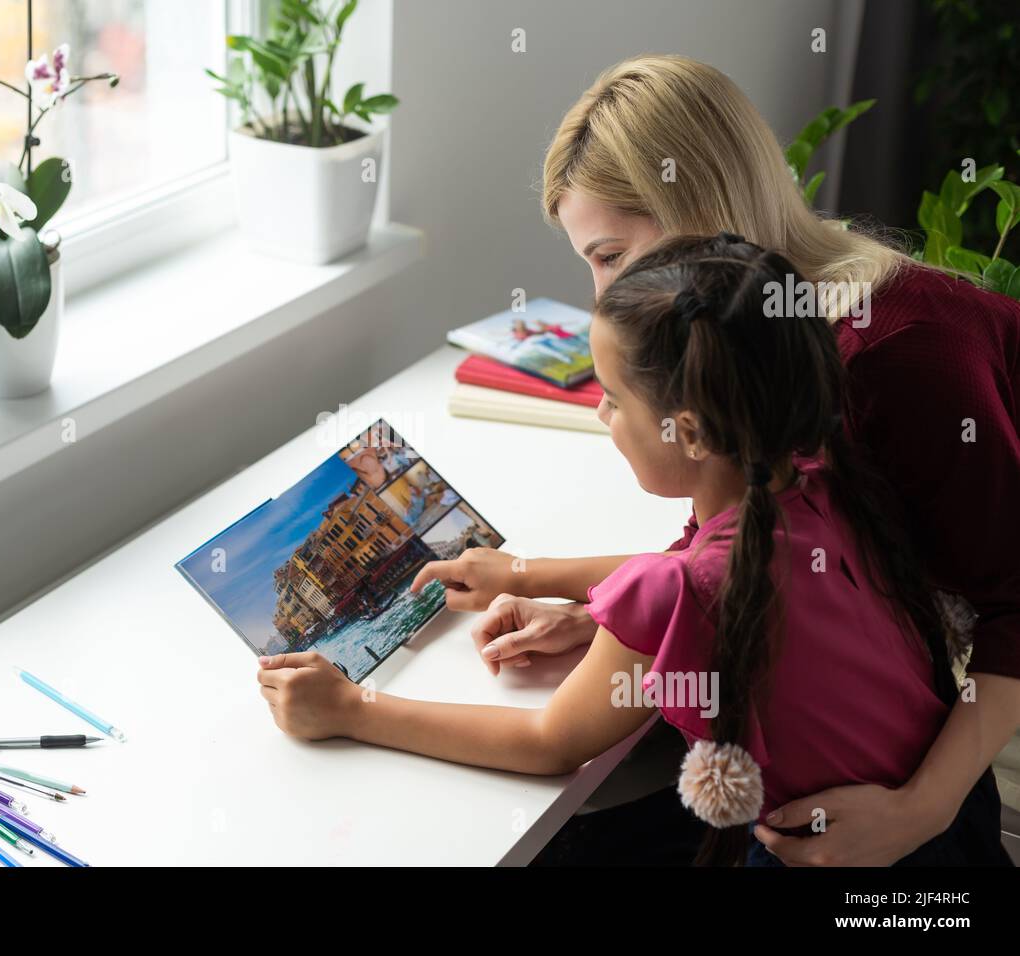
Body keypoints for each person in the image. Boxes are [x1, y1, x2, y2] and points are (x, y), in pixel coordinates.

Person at [408, 54, 1020, 865]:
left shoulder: (902, 360)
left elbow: (1015, 604)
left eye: (611, 255)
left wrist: (920, 810)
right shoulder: (754, 344)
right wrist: (601, 615)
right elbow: (746, 544)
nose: (601, 298)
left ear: (697, 206)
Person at [258, 235, 1010, 865]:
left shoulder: (684, 590)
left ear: (692, 432)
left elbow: (550, 741)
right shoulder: (816, 477)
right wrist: (519, 573)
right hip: (962, 824)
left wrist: (354, 708)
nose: (602, 414)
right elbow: (705, 568)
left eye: (615, 399)